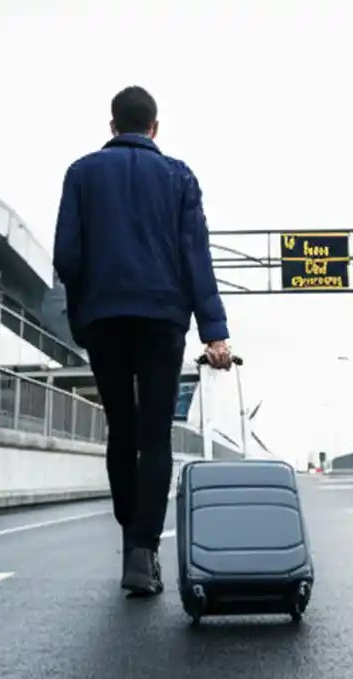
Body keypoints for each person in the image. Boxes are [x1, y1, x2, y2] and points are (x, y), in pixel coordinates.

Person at [53, 85, 233, 597]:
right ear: (155, 127)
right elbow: (196, 257)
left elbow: (67, 255)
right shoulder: (179, 177)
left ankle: (127, 521)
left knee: (121, 428)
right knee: (155, 434)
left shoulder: (81, 173)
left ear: (112, 126)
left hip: (104, 318)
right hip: (161, 319)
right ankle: (141, 549)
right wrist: (214, 333)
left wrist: (85, 307)